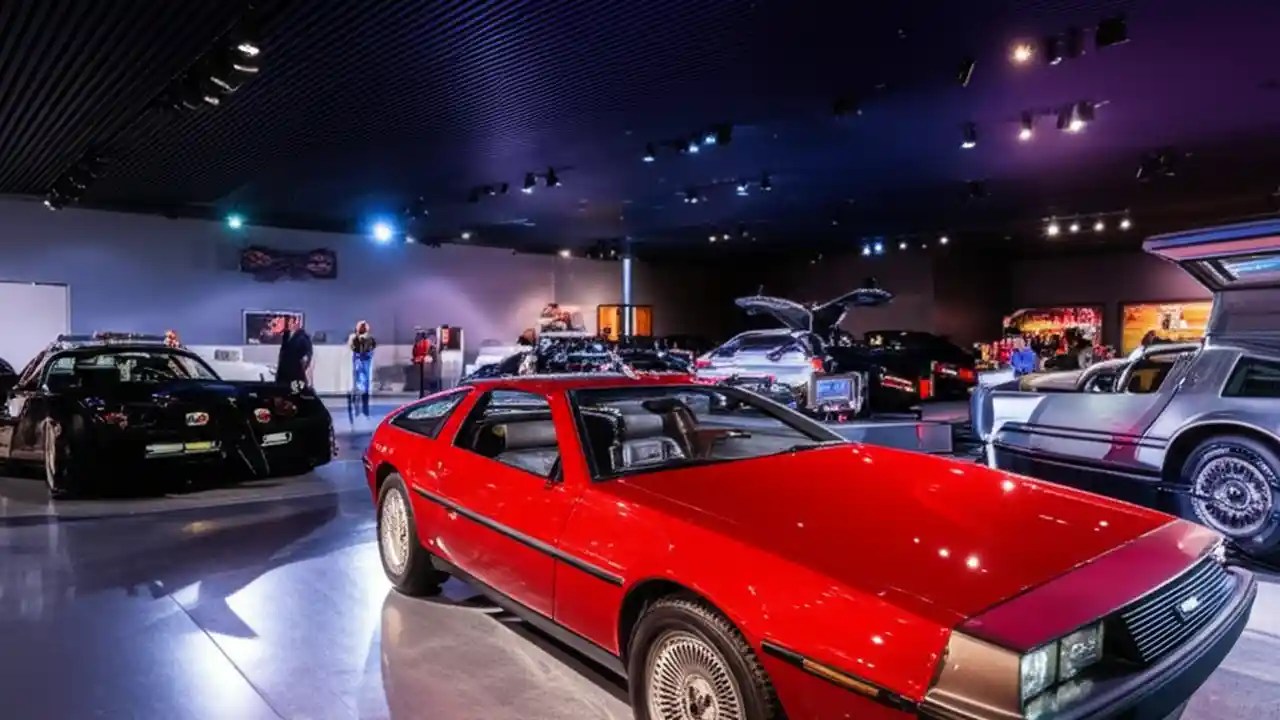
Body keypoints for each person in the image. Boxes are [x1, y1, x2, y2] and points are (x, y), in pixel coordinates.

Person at [347, 321, 377, 422]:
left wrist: (367, 353)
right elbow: (352, 347)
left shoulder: (370, 338)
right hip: (358, 363)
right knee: (357, 386)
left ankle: (365, 410)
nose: (362, 329)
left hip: (365, 363)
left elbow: (372, 347)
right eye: (361, 327)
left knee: (365, 387)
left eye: (364, 327)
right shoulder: (354, 338)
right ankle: (357, 410)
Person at [276, 315, 312, 390]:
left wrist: (304, 362)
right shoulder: (286, 335)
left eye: (291, 322)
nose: (289, 324)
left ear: (297, 323)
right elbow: (283, 352)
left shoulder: (303, 337)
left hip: (296, 372)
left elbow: (308, 353)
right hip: (283, 373)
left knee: (296, 393)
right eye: (288, 322)